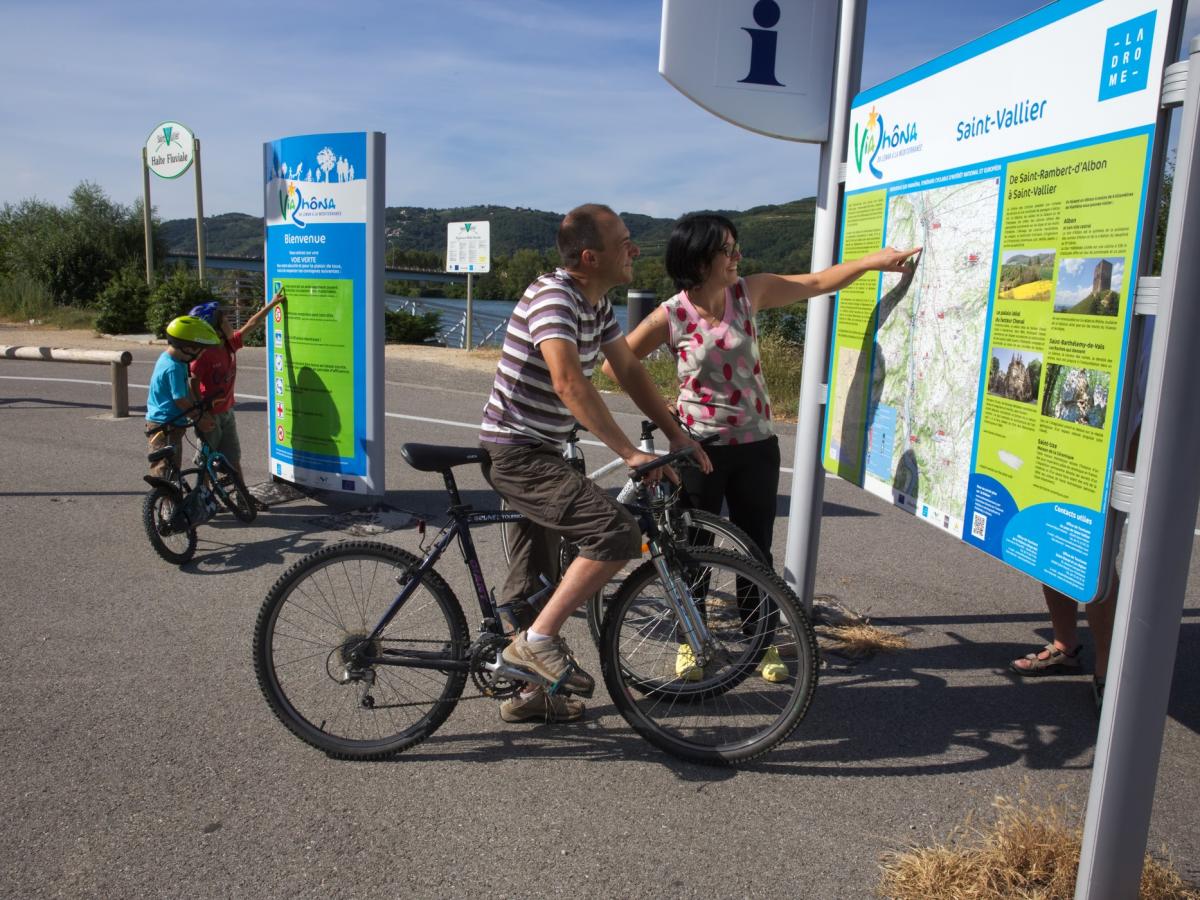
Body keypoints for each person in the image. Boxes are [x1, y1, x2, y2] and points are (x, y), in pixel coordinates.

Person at [606, 212, 919, 682]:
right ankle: (694, 641)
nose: (737, 256)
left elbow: (816, 281)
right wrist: (668, 419)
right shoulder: (671, 314)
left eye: (737, 247)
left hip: (757, 447)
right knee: (695, 547)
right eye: (727, 250)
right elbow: (617, 367)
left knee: (756, 551)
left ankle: (760, 643)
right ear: (699, 257)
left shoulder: (748, 292)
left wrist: (873, 261)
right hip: (699, 451)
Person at [480, 203, 712, 724]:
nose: (635, 248)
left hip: (547, 451)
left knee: (538, 577)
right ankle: (535, 643)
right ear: (590, 256)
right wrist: (630, 452)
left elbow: (628, 370)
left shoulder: (596, 304)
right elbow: (570, 383)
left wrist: (677, 436)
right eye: (625, 241)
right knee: (615, 535)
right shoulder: (554, 298)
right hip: (518, 454)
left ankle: (529, 691)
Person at [1010, 319, 1155, 711]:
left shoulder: (1154, 322)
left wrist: (1125, 474)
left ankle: (1108, 671)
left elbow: (1151, 410)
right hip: (1060, 451)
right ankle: (1065, 645)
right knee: (1049, 547)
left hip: (1104, 465)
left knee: (1095, 564)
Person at [188, 289, 287, 478]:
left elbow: (253, 323)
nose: (230, 322)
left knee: (233, 458)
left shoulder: (229, 344)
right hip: (211, 415)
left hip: (227, 411)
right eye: (225, 320)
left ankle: (242, 498)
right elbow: (192, 381)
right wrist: (201, 411)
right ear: (215, 330)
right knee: (206, 460)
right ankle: (206, 498)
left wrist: (273, 303)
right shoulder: (204, 354)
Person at [145, 315, 221, 476]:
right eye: (201, 349)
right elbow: (179, 399)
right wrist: (199, 419)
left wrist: (198, 406)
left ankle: (170, 498)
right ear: (188, 347)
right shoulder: (173, 367)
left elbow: (185, 389)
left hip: (169, 423)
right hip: (165, 425)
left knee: (172, 467)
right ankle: (165, 499)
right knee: (164, 468)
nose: (202, 354)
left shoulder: (172, 359)